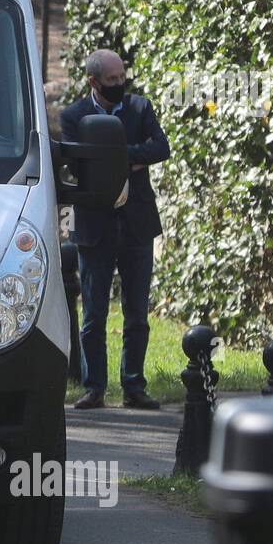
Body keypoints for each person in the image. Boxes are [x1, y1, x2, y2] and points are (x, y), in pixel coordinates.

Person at [60, 49, 171, 410]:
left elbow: (160, 147)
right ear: (93, 81)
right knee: (93, 313)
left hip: (137, 224)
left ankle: (133, 386)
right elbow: (77, 163)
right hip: (94, 226)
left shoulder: (140, 108)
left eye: (122, 77)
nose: (119, 85)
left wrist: (118, 154)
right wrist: (131, 160)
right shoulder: (74, 116)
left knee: (137, 310)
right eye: (112, 80)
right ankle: (94, 387)